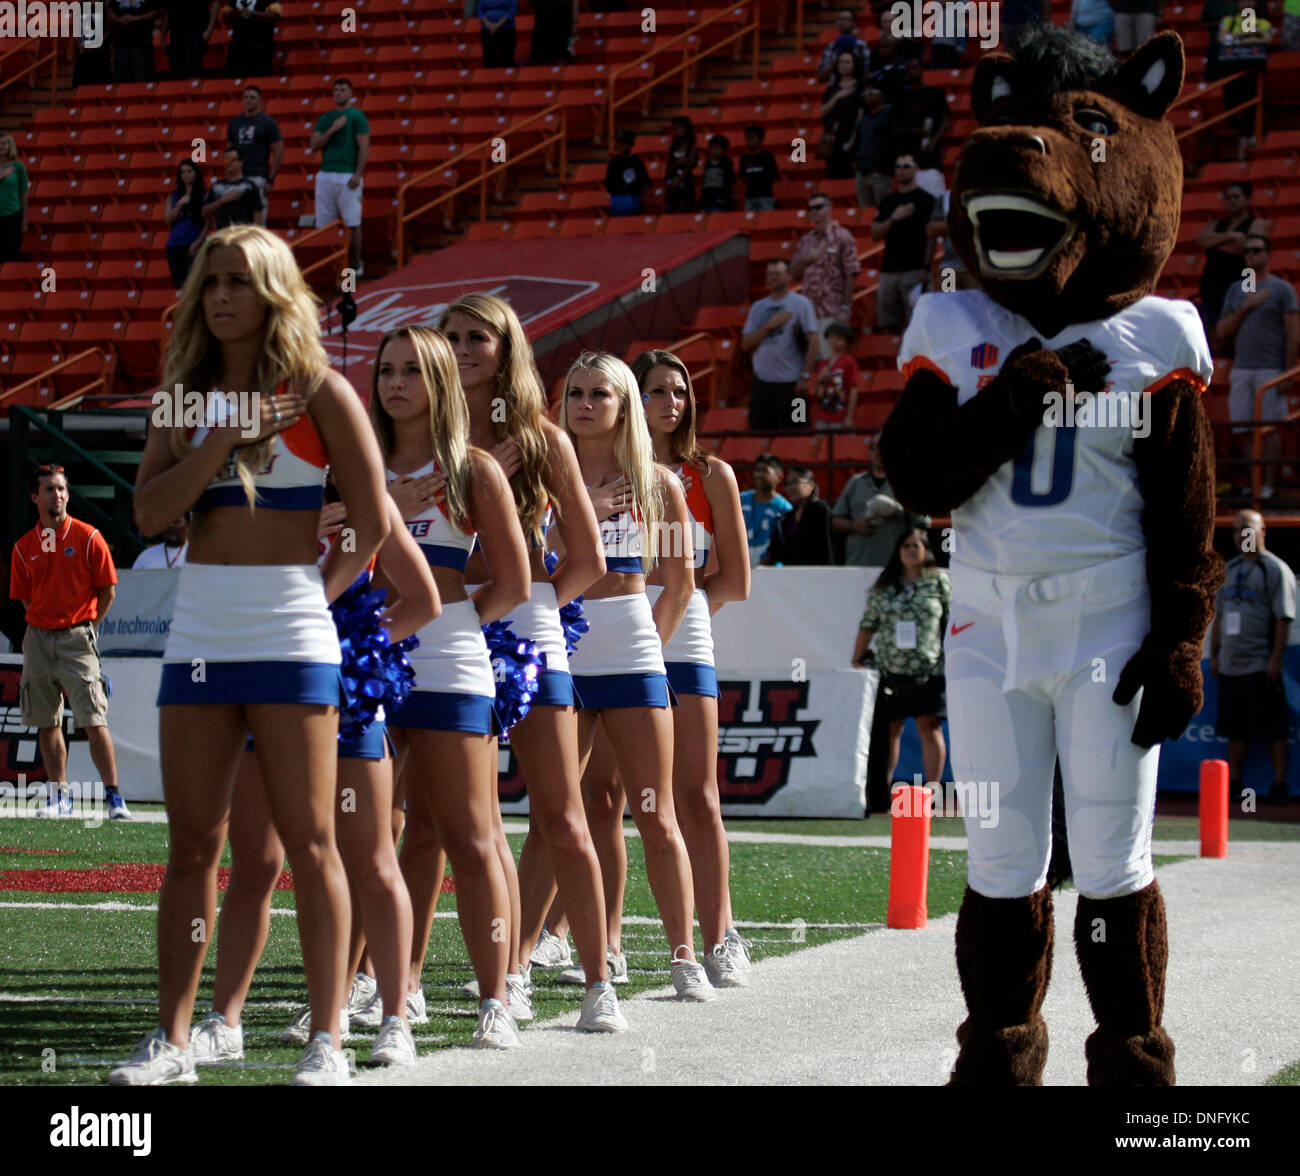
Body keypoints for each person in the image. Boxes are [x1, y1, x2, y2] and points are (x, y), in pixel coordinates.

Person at [112, 224, 392, 1087]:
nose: (223, 295)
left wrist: (314, 596)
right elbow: (151, 515)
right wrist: (217, 445)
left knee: (312, 845)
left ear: (273, 291)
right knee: (193, 844)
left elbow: (374, 522)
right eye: (212, 281)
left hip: (289, 628)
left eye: (239, 280)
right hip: (199, 628)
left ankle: (327, 1043)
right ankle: (174, 1041)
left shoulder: (321, 391)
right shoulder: (181, 397)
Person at [190, 486, 439, 1070]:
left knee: (373, 861)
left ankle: (394, 1018)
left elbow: (424, 600)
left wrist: (359, 651)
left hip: (345, 701)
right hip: (265, 692)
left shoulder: (368, 503)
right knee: (256, 861)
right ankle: (225, 1019)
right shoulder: (254, 499)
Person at [438, 293, 626, 1033]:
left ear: (506, 345)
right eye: (450, 335)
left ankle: (596, 980)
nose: (461, 348)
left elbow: (588, 556)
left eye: (477, 336)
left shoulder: (542, 439)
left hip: (527, 633)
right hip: (449, 632)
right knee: (443, 823)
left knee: (561, 814)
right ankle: (413, 983)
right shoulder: (424, 430)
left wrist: (536, 603)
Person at [373, 325, 532, 1049]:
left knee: (470, 835)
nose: (396, 383)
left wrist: (457, 630)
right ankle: (382, 987)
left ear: (438, 381)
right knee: (372, 835)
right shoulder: (355, 463)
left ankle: (495, 996)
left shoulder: (472, 468)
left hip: (446, 659)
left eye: (412, 370)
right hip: (367, 654)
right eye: (387, 370)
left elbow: (514, 581)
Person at [558, 350, 714, 1000]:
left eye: (601, 393)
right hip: (560, 644)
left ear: (624, 404)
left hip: (629, 644)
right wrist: (583, 507)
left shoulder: (660, 484)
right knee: (573, 810)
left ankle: (685, 955)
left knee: (656, 810)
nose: (587, 404)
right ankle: (603, 951)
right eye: (575, 393)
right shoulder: (540, 480)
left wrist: (648, 644)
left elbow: (679, 585)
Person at [635, 348, 753, 986]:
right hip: (612, 625)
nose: (671, 403)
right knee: (601, 795)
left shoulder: (711, 473)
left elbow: (734, 579)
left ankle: (720, 936)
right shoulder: (601, 465)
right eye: (656, 391)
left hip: (685, 634)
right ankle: (569, 939)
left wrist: (683, 609)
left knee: (697, 796)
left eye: (679, 391)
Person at [9, 465, 128, 822]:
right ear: (35, 497)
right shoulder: (23, 547)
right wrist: (45, 626)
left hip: (78, 637)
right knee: (47, 722)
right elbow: (25, 599)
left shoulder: (89, 537)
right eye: (49, 490)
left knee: (94, 718)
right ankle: (59, 795)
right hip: (39, 639)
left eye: (61, 489)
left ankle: (113, 797)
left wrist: (87, 627)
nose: (57, 495)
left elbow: (108, 591)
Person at [851, 528, 950, 784]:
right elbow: (868, 623)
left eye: (916, 545)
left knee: (929, 727)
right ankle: (883, 792)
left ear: (926, 549)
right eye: (905, 545)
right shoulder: (884, 585)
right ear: (897, 550)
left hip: (929, 669)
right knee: (890, 729)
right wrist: (857, 657)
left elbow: (953, 622)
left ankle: (933, 791)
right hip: (890, 669)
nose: (910, 550)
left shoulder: (939, 581)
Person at [1211, 511, 1296, 805]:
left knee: (1273, 728)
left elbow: (1283, 618)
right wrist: (1215, 654)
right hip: (1232, 664)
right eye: (1235, 530)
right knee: (1235, 729)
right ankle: (1235, 783)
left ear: (1262, 531)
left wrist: (1275, 659)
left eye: (1246, 529)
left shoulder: (1274, 569)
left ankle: (1279, 783)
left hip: (1260, 662)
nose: (1240, 535)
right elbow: (1219, 617)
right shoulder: (1229, 569)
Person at [1216, 236, 1299, 499]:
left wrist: (1287, 370)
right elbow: (1221, 331)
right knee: (1245, 427)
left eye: (1256, 250)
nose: (1250, 255)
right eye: (1247, 251)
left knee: (1270, 428)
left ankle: (1268, 486)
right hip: (1241, 367)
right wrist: (1246, 307)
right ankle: (1255, 482)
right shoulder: (1235, 290)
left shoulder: (1281, 288)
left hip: (1270, 368)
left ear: (1269, 254)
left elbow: (1293, 331)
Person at [741, 259, 821, 431]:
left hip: (793, 385)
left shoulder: (801, 304)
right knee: (760, 432)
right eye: (770, 274)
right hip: (762, 384)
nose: (773, 278)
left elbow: (813, 341)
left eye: (778, 273)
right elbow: (746, 344)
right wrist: (769, 326)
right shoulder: (758, 307)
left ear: (788, 276)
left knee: (798, 431)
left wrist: (806, 376)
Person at [1196, 181, 1271, 346]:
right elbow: (1201, 241)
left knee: (1239, 331)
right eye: (1228, 197)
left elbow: (1246, 246)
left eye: (1236, 196)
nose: (1231, 200)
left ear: (1247, 200)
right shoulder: (1216, 224)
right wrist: (1231, 236)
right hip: (1213, 286)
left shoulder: (1256, 223)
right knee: (1213, 334)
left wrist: (1215, 242)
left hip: (1244, 281)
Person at [832, 445, 931, 568]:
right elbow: (835, 521)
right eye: (874, 447)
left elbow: (922, 525)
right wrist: (854, 526)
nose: (879, 452)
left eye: (883, 447)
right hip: (858, 563)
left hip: (895, 566)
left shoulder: (907, 481)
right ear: (869, 452)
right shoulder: (856, 482)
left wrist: (897, 510)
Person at [309, 79, 369, 275]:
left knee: (352, 221)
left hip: (347, 173)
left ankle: (355, 263)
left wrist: (358, 173)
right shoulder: (326, 118)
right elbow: (314, 144)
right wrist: (333, 129)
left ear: (350, 93)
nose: (339, 93)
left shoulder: (357, 116)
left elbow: (364, 146)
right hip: (326, 172)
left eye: (343, 90)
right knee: (325, 223)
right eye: (336, 90)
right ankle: (330, 265)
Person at [871, 154, 936, 333]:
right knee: (887, 324)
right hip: (888, 271)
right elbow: (874, 233)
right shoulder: (888, 201)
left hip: (914, 270)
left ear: (915, 169)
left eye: (907, 166)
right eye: (898, 166)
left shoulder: (927, 200)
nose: (902, 170)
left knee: (918, 323)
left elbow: (931, 236)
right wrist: (893, 218)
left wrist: (926, 266)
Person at [792, 194, 861, 339]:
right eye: (810, 208)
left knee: (830, 357)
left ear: (829, 208)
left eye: (818, 207)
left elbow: (852, 273)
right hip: (809, 312)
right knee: (812, 358)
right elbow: (794, 275)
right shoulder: (806, 240)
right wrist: (806, 261)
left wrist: (845, 307)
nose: (814, 211)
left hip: (832, 309)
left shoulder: (843, 236)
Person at [227, 85, 283, 228]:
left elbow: (278, 152)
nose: (248, 100)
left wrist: (270, 179)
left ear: (260, 101)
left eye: (252, 97)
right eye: (245, 97)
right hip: (238, 178)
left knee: (257, 222)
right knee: (237, 221)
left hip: (257, 176)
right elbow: (229, 151)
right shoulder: (234, 123)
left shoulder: (268, 122)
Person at [888, 56, 950, 172]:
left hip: (930, 151)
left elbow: (945, 120)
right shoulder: (901, 97)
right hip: (908, 152)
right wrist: (911, 131)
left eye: (915, 67)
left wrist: (933, 142)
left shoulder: (935, 93)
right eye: (908, 69)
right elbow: (893, 126)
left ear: (922, 69)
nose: (911, 71)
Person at [763, 466, 833, 566]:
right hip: (792, 575)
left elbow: (825, 546)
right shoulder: (786, 518)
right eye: (788, 484)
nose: (791, 488)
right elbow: (776, 551)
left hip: (818, 574)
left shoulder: (820, 509)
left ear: (811, 485)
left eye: (796, 482)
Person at [739, 453, 793, 566]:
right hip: (738, 566)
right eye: (757, 470)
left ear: (779, 477)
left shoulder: (785, 509)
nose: (758, 475)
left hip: (771, 572)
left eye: (765, 471)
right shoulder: (739, 500)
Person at [820, 50, 865, 180]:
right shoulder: (832, 89)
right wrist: (836, 98)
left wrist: (853, 137)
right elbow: (822, 111)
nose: (844, 65)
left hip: (853, 138)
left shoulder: (860, 87)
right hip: (834, 139)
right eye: (841, 62)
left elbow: (861, 113)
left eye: (847, 62)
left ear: (854, 65)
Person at [163, 161, 207, 290]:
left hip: (194, 241)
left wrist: (199, 241)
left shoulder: (204, 195)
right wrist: (179, 204)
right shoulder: (174, 197)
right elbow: (168, 220)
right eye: (183, 172)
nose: (185, 175)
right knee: (181, 286)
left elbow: (208, 223)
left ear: (195, 173)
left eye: (189, 171)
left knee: (196, 285)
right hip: (175, 244)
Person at [850, 86, 893, 210]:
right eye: (865, 94)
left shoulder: (890, 114)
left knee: (884, 211)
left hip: (880, 172)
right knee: (865, 212)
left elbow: (894, 143)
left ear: (882, 95)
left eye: (872, 93)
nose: (868, 96)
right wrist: (855, 161)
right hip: (862, 171)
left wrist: (884, 165)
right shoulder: (864, 117)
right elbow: (858, 140)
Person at [811, 320, 860, 429]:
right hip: (823, 415)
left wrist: (849, 417)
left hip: (840, 416)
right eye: (832, 338)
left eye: (840, 338)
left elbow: (853, 389)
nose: (835, 342)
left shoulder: (849, 361)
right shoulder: (823, 363)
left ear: (847, 342)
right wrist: (820, 379)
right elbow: (816, 391)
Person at [202, 149, 264, 231]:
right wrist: (222, 200)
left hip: (242, 233)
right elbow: (205, 211)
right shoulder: (216, 186)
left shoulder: (249, 187)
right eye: (226, 159)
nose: (228, 162)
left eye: (231, 159)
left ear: (240, 162)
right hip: (222, 233)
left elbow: (257, 214)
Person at [223, 0, 281, 79]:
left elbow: (276, 15)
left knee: (259, 79)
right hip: (238, 45)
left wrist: (254, 14)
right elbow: (226, 14)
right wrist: (236, 13)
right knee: (233, 77)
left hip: (261, 45)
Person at [108, 0, 161, 84]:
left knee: (143, 80)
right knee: (121, 81)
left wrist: (136, 18)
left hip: (142, 44)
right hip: (120, 44)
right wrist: (119, 19)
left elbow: (156, 12)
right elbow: (109, 10)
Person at [163, 0, 218, 78]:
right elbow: (166, 12)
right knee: (177, 74)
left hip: (197, 34)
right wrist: (163, 38)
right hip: (176, 36)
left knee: (194, 71)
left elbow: (216, 3)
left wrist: (209, 31)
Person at [816, 7, 871, 83]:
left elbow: (866, 72)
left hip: (856, 87)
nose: (842, 22)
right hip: (835, 86)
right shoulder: (831, 47)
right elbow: (822, 74)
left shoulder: (861, 46)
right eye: (839, 19)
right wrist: (834, 64)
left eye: (845, 19)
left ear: (854, 23)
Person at [0, 131, 30, 265]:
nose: (1, 146)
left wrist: (25, 219)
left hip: (13, 214)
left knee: (11, 252)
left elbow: (24, 193)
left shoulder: (18, 167)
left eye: (4, 143)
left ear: (9, 146)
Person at [605, 130, 651, 216]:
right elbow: (608, 182)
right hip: (616, 199)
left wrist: (640, 197)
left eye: (621, 143)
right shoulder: (613, 162)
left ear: (629, 145)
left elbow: (645, 181)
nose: (617, 146)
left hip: (632, 198)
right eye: (617, 143)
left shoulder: (636, 162)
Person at [738, 124, 780, 212]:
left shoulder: (767, 156)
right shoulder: (744, 158)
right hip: (750, 197)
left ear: (761, 139)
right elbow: (742, 176)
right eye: (747, 138)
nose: (749, 141)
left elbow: (774, 175)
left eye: (752, 138)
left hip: (766, 196)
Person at [663, 116, 699, 215]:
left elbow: (690, 165)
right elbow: (669, 166)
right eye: (675, 129)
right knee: (669, 209)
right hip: (672, 180)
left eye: (679, 128)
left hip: (685, 182)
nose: (677, 131)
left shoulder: (693, 146)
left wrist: (679, 179)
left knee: (684, 210)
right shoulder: (673, 147)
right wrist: (678, 162)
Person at [698, 134, 736, 213]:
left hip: (720, 199)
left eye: (718, 148)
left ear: (724, 149)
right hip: (707, 198)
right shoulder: (707, 163)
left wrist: (725, 197)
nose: (715, 151)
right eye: (713, 148)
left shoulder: (727, 163)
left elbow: (730, 181)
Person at [479, 0, 518, 67]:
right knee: (489, 60)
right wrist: (489, 25)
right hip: (487, 29)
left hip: (507, 28)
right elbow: (480, 11)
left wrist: (497, 25)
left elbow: (512, 10)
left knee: (506, 59)